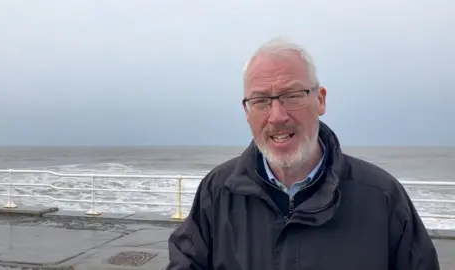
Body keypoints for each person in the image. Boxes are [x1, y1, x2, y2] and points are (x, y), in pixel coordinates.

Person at [166, 38, 439, 270]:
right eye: (261, 100)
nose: (277, 117)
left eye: (292, 95)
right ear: (246, 111)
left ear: (320, 99)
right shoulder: (216, 193)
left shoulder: (383, 197)